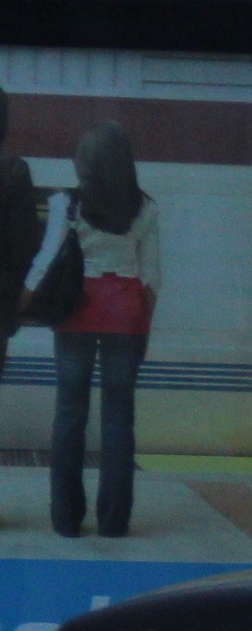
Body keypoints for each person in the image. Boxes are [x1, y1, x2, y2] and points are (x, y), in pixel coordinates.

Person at [42, 119, 158, 539]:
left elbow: (47, 260)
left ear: (84, 162)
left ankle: (66, 519)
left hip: (76, 314)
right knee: (119, 420)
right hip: (126, 315)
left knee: (69, 416)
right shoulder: (145, 207)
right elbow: (152, 278)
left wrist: (29, 302)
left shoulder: (65, 203)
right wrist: (144, 326)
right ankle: (113, 521)